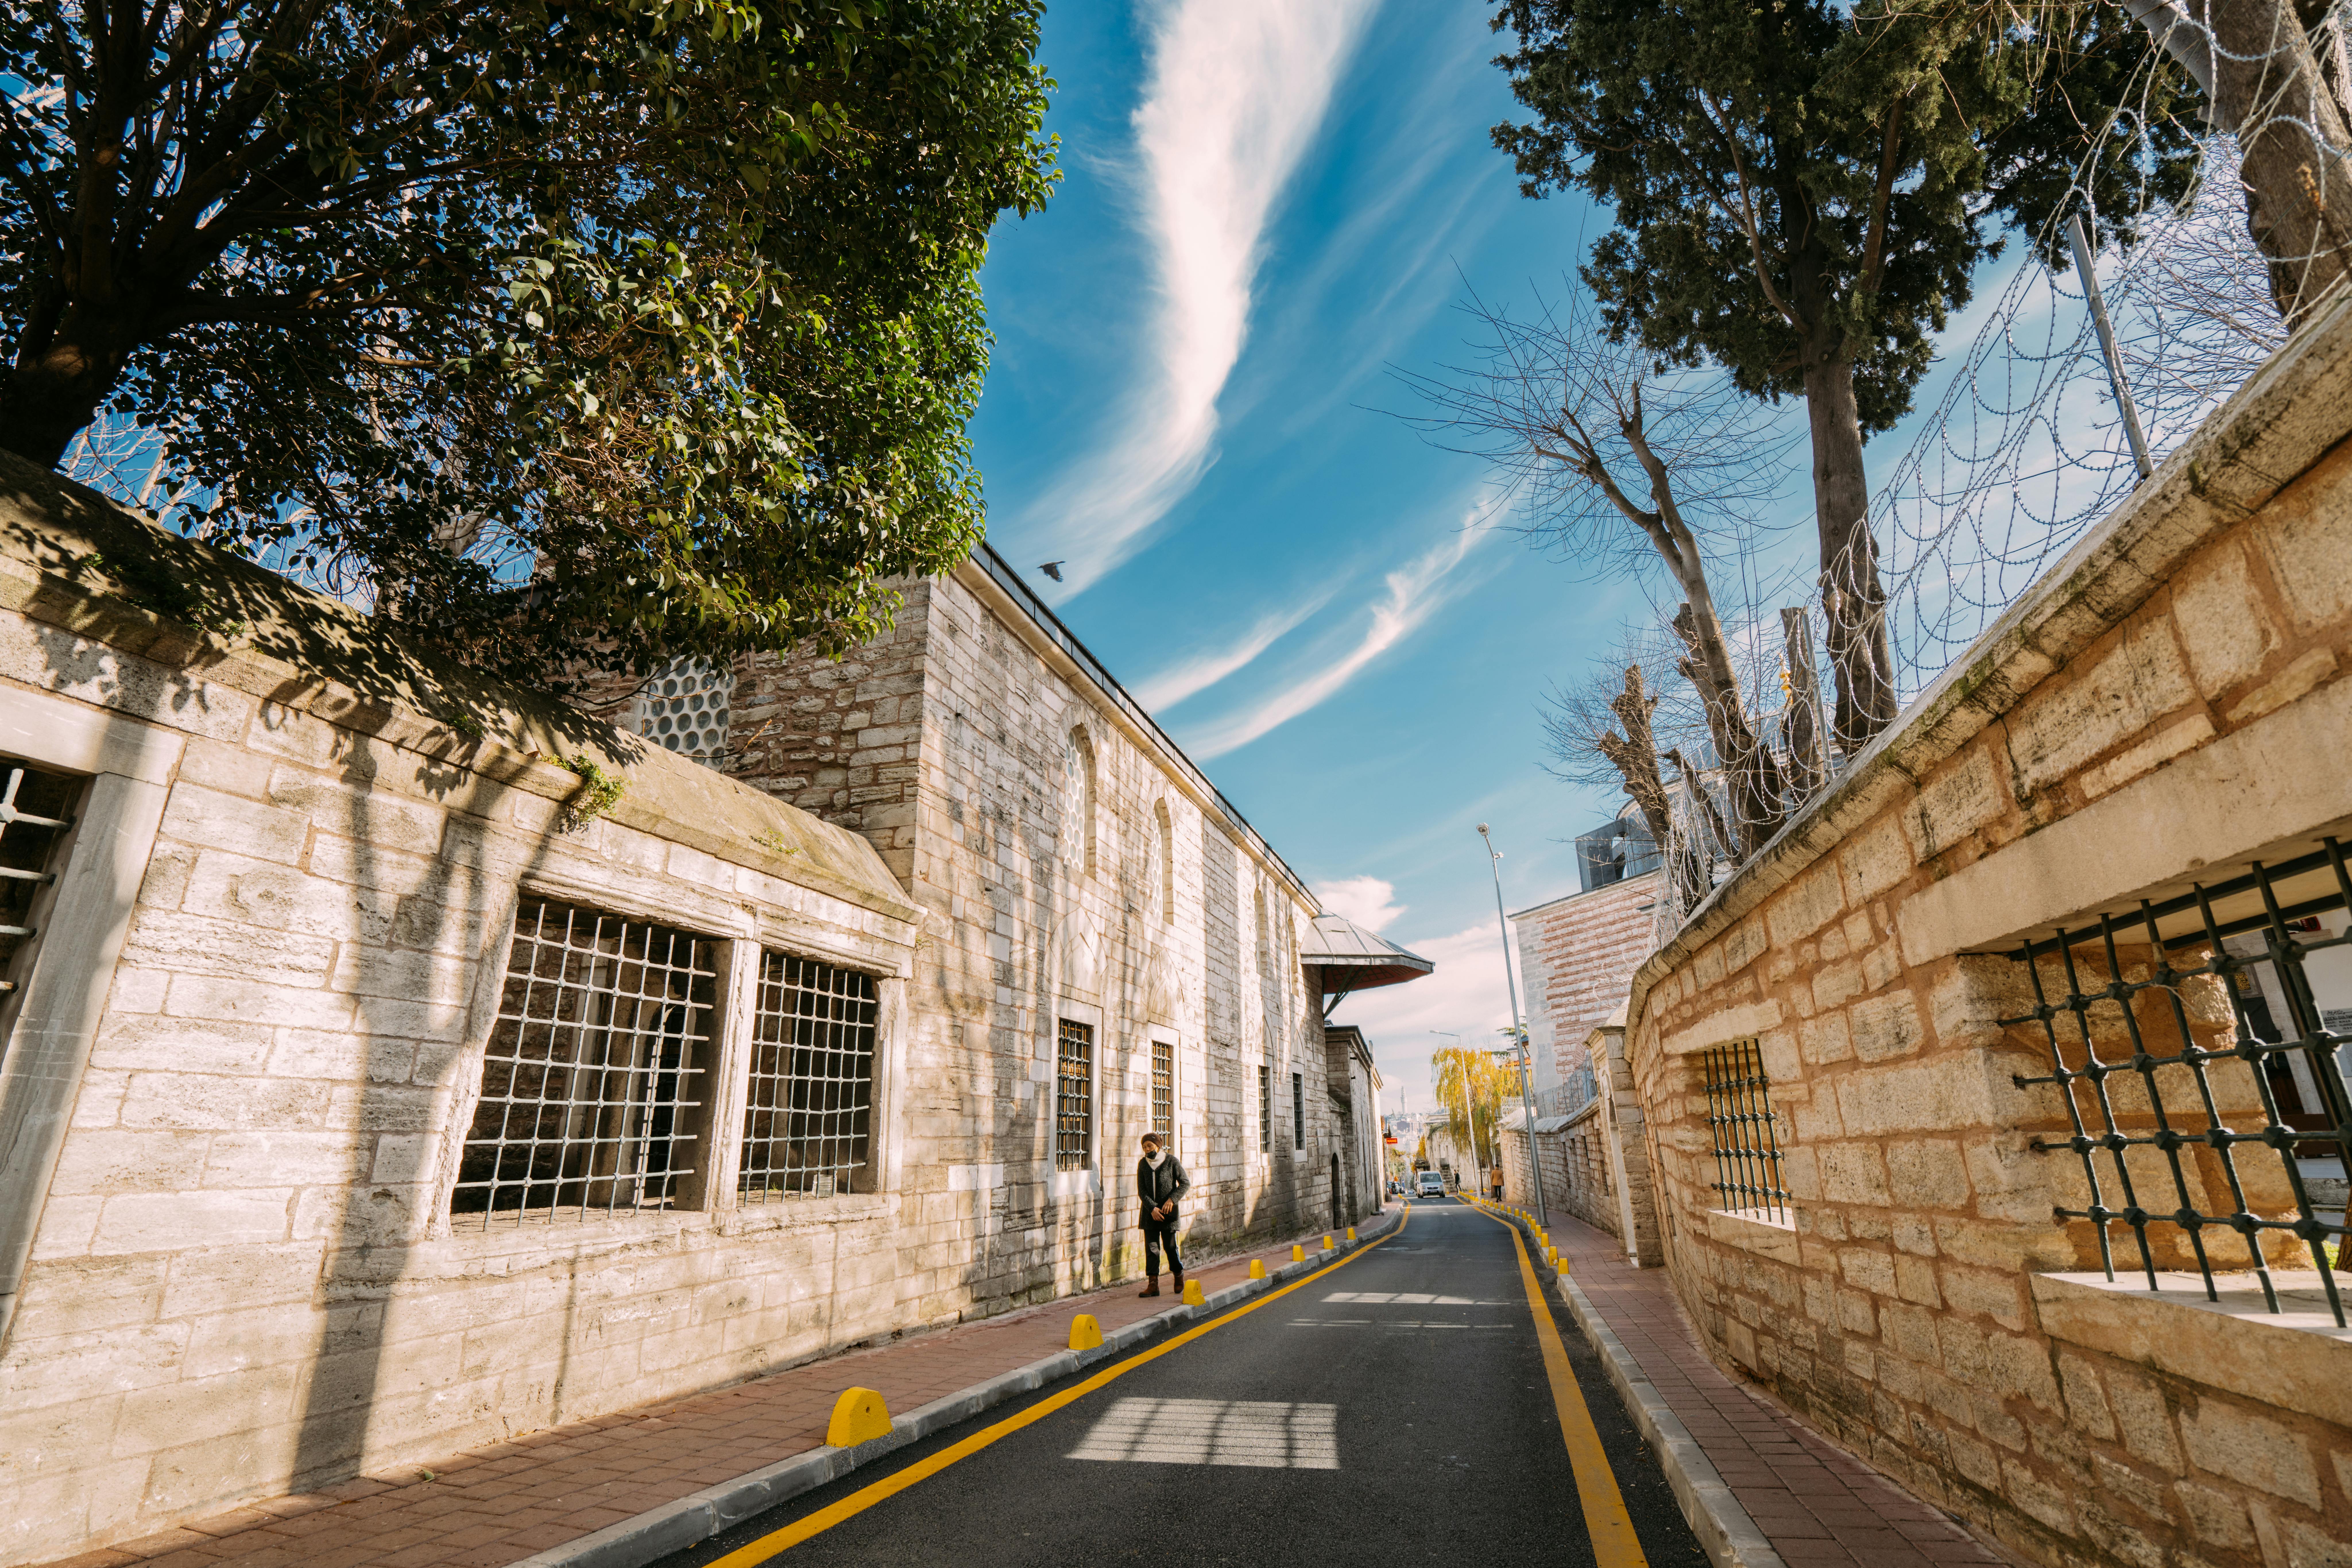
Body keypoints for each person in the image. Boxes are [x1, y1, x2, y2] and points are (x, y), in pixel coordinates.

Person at [1135, 1132, 1191, 1298]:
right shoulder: (1143, 1165)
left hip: (1168, 1214)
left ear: (1158, 1146)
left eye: (1150, 1146)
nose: (1147, 1150)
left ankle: (1178, 1273)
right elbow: (1142, 1190)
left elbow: (1185, 1183)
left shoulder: (1171, 1162)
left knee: (1170, 1247)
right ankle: (1153, 1285)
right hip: (1150, 1215)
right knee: (1152, 1250)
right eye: (1145, 1147)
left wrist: (1172, 1200)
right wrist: (1152, 1208)